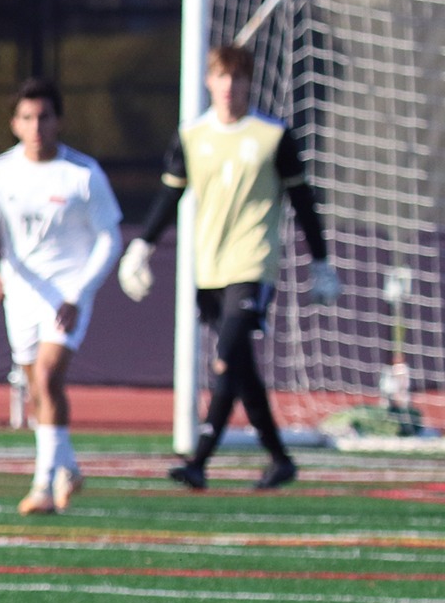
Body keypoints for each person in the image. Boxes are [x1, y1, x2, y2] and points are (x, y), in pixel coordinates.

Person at [118, 43, 339, 491]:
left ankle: (199, 460)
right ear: (208, 81)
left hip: (253, 264)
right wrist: (141, 246)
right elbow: (169, 196)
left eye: (237, 78)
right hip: (209, 269)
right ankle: (279, 459)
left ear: (249, 82)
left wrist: (321, 262)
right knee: (240, 368)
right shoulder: (193, 135)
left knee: (225, 358)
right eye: (221, 76)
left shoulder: (272, 136)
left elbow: (303, 202)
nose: (228, 86)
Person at [0, 77, 121, 515]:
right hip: (21, 297)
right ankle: (68, 467)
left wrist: (79, 292)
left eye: (44, 117)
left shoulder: (83, 174)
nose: (36, 126)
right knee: (38, 390)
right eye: (27, 118)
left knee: (48, 378)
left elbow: (110, 238)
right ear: (14, 123)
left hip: (68, 296)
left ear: (59, 121)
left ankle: (43, 486)